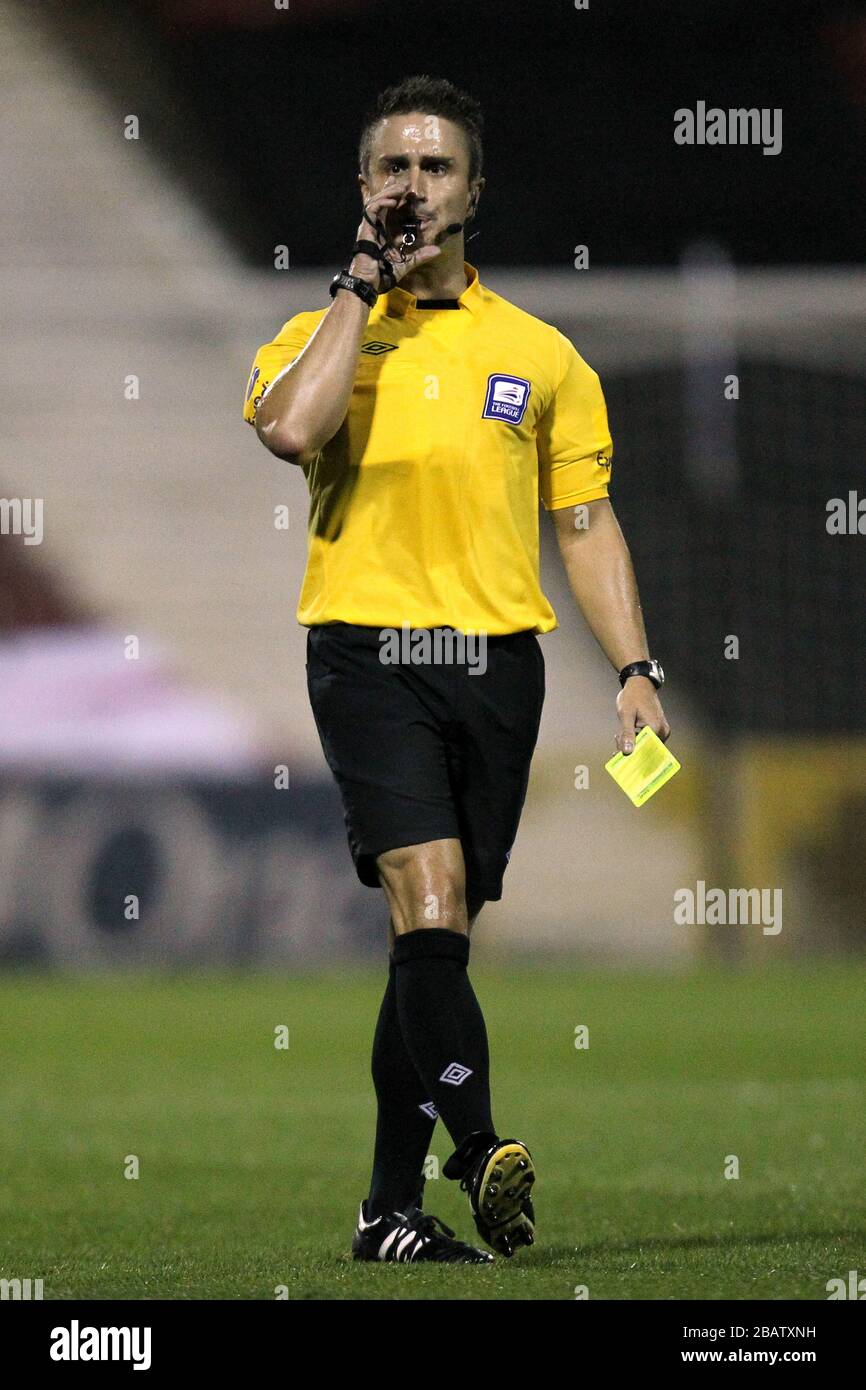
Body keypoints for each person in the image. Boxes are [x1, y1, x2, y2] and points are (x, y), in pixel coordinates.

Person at [243, 74, 670, 1264]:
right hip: (368, 656)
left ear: (473, 194)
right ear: (362, 187)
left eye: (435, 168)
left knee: (429, 945)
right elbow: (290, 428)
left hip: (496, 668)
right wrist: (357, 284)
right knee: (426, 897)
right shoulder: (314, 339)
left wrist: (634, 669)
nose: (413, 186)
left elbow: (583, 522)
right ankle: (479, 1147)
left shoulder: (539, 355)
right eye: (393, 167)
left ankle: (387, 1210)